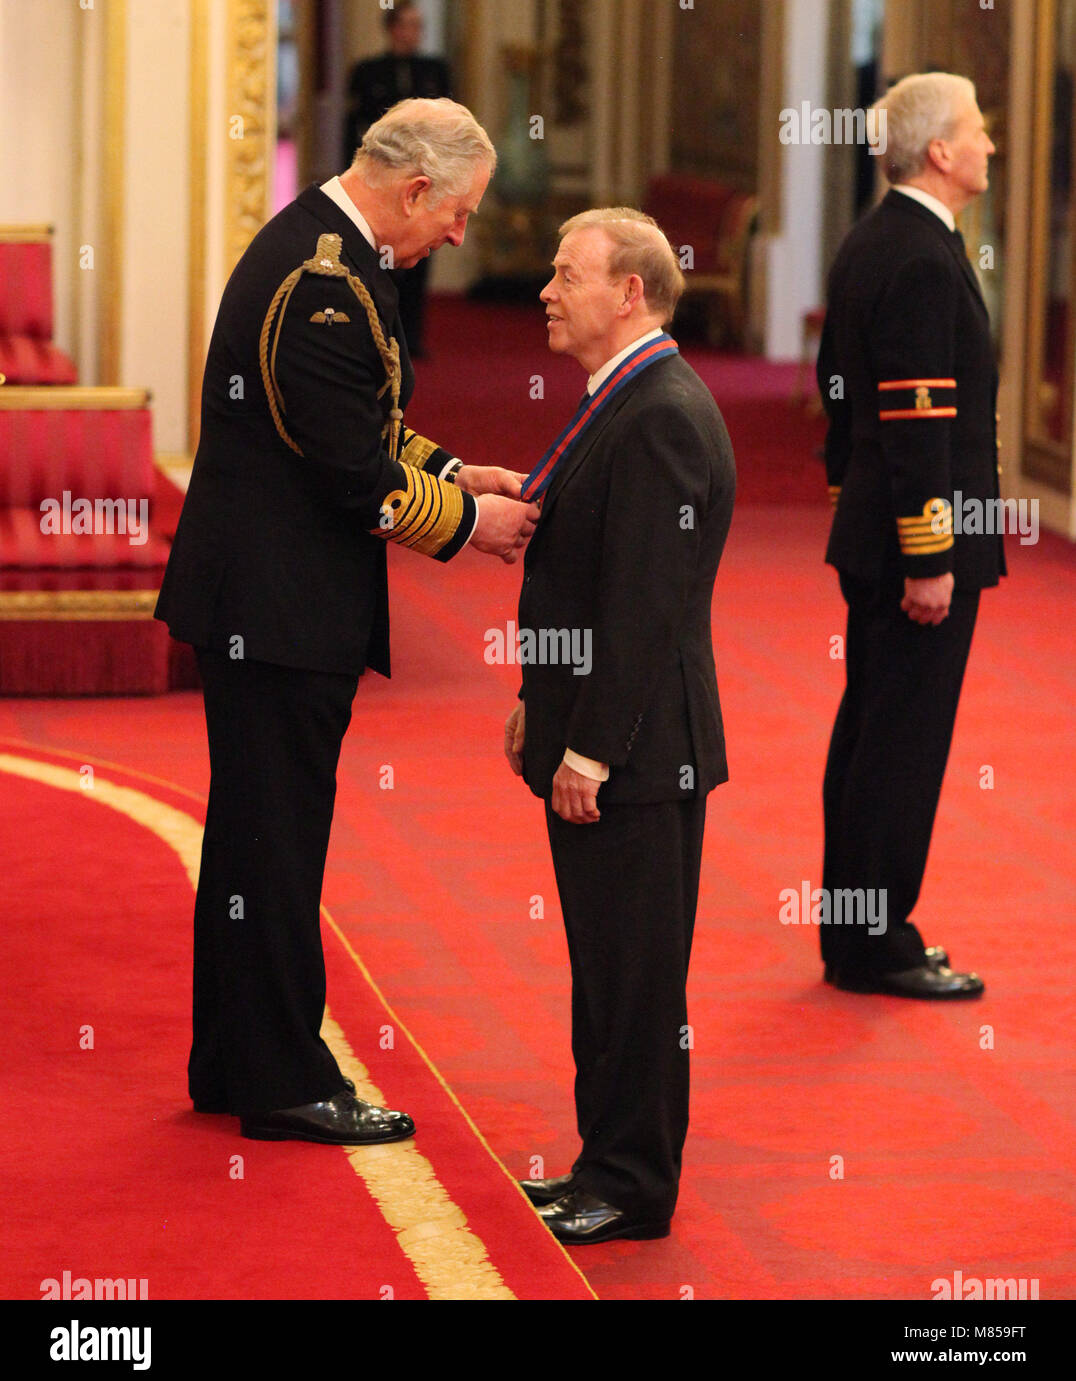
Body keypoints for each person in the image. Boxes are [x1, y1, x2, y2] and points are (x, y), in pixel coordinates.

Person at [156, 98, 539, 1145]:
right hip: (275, 609)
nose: (459, 234)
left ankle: (234, 1057)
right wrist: (469, 522)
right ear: (415, 190)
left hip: (267, 599)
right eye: (456, 213)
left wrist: (455, 469)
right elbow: (344, 471)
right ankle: (282, 1079)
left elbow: (357, 421)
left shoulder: (328, 255)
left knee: (251, 841)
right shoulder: (324, 280)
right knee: (274, 845)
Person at [503, 209, 736, 1243]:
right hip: (605, 740)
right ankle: (600, 1162)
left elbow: (642, 605)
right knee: (604, 971)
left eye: (566, 274)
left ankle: (632, 1183)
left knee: (636, 980)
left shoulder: (661, 415)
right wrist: (536, 700)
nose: (546, 291)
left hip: (637, 756)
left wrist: (589, 746)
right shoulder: (624, 397)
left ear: (628, 292)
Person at [817, 72, 1004, 999]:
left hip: (877, 532)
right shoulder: (924, 257)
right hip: (914, 547)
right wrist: (930, 558)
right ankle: (874, 941)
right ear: (939, 151)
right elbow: (918, 422)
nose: (990, 147)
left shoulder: (874, 240)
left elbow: (837, 393)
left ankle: (857, 930)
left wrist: (852, 499)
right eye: (977, 131)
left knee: (870, 732)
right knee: (900, 744)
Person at [343, 1, 452, 355]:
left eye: (418, 26)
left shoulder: (435, 70)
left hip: (427, 178)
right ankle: (379, 336)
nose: (413, 33)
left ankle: (412, 340)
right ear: (391, 28)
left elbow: (450, 127)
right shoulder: (367, 71)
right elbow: (354, 129)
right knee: (382, 259)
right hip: (382, 179)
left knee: (421, 256)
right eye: (406, 25)